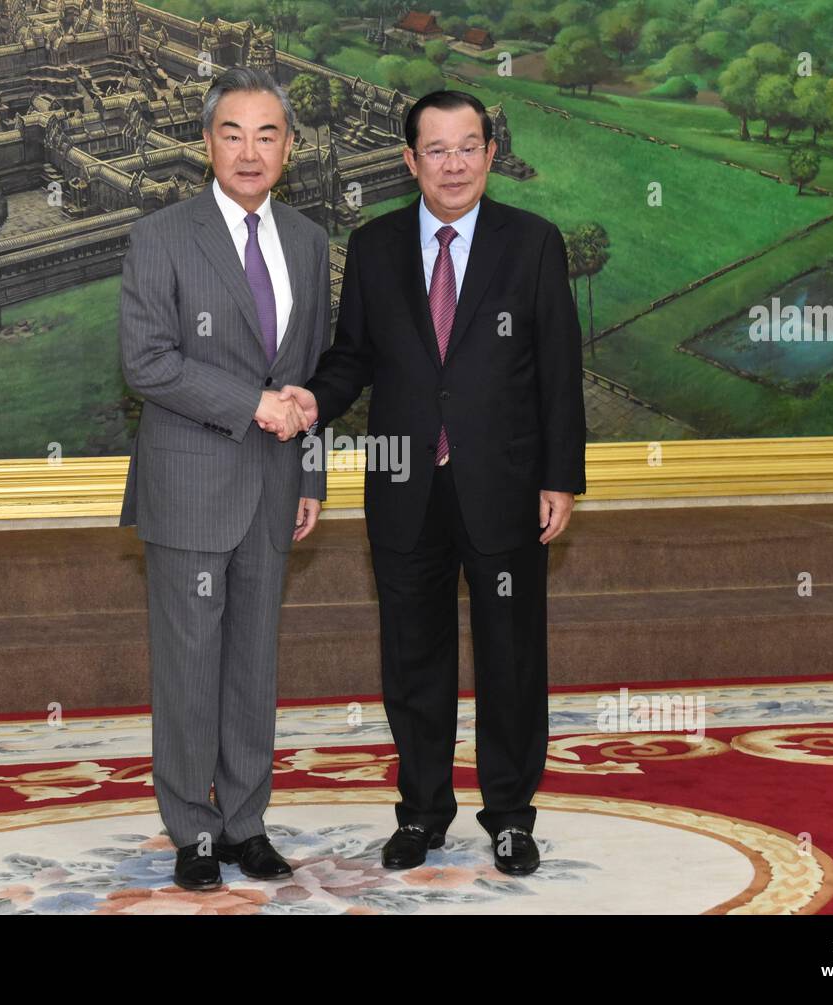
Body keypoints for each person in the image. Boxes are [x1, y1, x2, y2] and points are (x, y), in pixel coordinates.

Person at [280, 90, 586, 876]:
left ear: (489, 152)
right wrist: (315, 397)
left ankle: (512, 816)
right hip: (404, 483)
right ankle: (421, 812)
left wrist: (562, 477)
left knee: (511, 655)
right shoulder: (376, 245)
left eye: (469, 146)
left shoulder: (533, 242)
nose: (454, 164)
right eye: (436, 150)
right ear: (409, 160)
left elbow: (558, 371)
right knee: (413, 656)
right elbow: (354, 355)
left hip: (507, 485)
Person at [118, 66, 327, 891]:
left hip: (276, 489)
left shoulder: (309, 242)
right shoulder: (162, 235)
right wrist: (253, 406)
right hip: (189, 486)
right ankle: (192, 831)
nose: (250, 150)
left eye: (267, 134)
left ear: (288, 148)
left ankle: (245, 821)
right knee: (189, 661)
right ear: (206, 144)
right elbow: (147, 362)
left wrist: (309, 470)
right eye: (232, 134)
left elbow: (308, 372)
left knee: (253, 664)